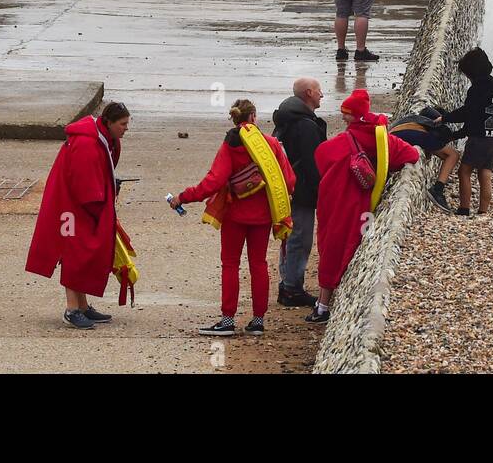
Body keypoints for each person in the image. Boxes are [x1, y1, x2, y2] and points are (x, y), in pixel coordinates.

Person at [168, 99, 296, 337]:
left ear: (234, 119)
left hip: (235, 215)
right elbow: (288, 181)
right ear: (254, 117)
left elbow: (213, 183)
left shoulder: (230, 145)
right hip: (264, 216)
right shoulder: (270, 145)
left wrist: (183, 197)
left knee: (230, 265)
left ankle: (227, 320)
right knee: (258, 265)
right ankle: (258, 321)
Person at [307, 89, 421, 324]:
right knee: (346, 248)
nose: (342, 118)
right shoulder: (382, 137)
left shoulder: (344, 141)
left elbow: (320, 157)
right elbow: (410, 154)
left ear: (354, 116)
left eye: (346, 114)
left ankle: (322, 306)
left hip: (340, 202)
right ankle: (329, 301)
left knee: (331, 248)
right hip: (366, 205)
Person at [25, 101, 131, 329]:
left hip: (74, 203)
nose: (126, 128)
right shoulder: (86, 144)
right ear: (109, 123)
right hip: (69, 205)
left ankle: (82, 306)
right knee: (74, 252)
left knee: (80, 252)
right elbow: (84, 186)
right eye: (123, 124)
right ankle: (72, 309)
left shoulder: (102, 138)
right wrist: (101, 211)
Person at [427, 48, 493, 216]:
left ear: (472, 72)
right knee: (485, 172)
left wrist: (445, 118)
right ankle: (483, 211)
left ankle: (464, 209)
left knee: (464, 171)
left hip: (481, 139)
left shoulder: (476, 89)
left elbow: (468, 112)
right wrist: (457, 133)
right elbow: (477, 115)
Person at [272, 78, 327, 307]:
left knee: (289, 236)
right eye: (319, 91)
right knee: (300, 238)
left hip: (286, 189)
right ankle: (292, 289)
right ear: (308, 93)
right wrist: (321, 190)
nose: (322, 95)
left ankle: (288, 283)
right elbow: (313, 163)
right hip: (301, 191)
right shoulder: (305, 125)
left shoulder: (286, 119)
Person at [390, 104, 461, 202]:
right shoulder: (424, 133)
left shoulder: (410, 121)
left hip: (391, 139)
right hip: (412, 137)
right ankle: (438, 190)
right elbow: (443, 151)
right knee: (454, 155)